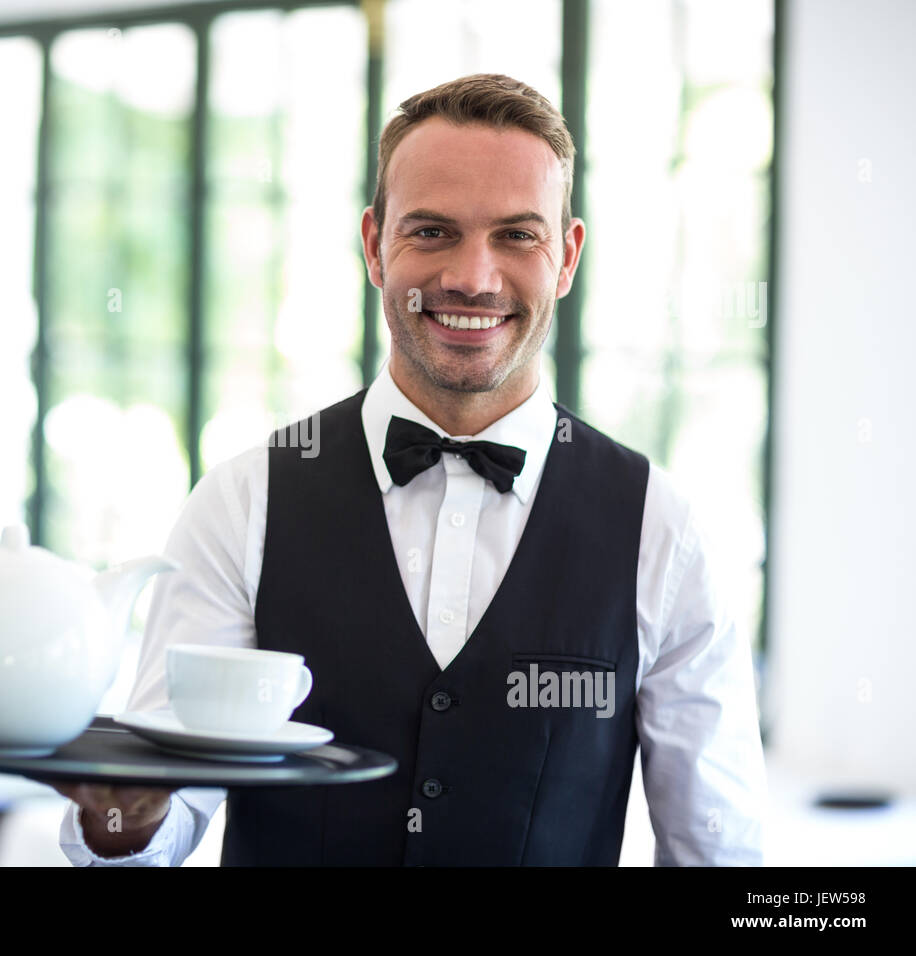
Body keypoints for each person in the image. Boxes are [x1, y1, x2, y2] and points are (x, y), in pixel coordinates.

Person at [51, 73, 767, 866]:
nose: (472, 277)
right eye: (431, 231)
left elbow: (719, 849)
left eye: (516, 236)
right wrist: (119, 821)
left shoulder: (662, 529)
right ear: (373, 245)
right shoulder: (244, 499)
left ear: (565, 258)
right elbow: (154, 818)